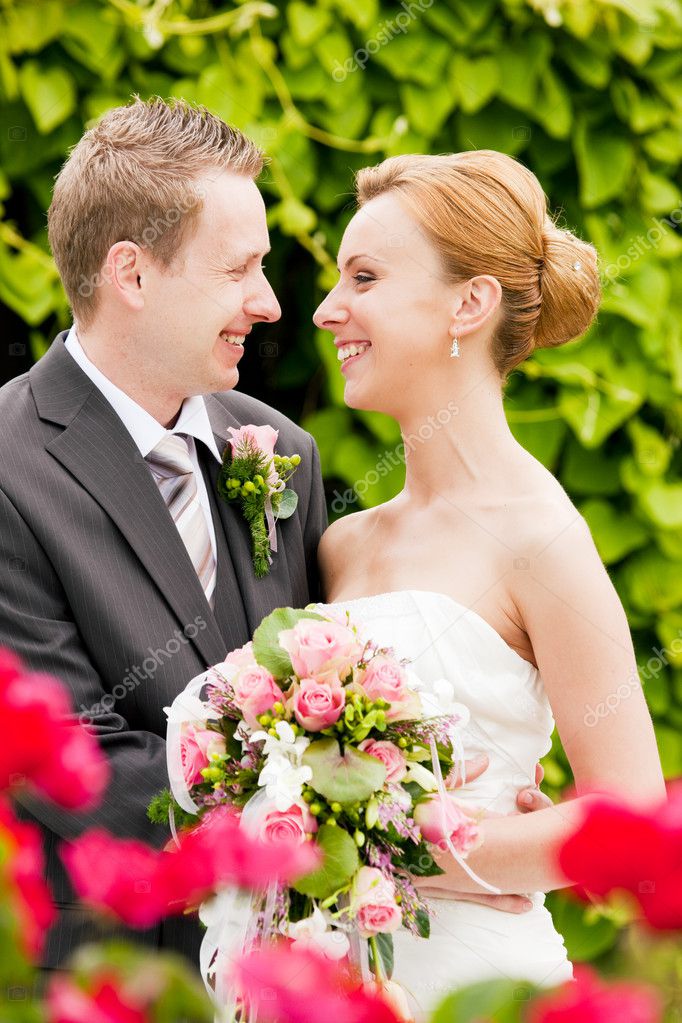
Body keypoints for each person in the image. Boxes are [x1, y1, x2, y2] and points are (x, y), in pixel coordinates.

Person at [313, 150, 665, 1016]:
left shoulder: (541, 538)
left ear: (468, 304)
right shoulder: (340, 543)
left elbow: (631, 818)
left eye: (365, 277)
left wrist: (427, 851)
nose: (327, 309)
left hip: (474, 984)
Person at [0, 97, 330, 970]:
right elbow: (69, 756)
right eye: (238, 269)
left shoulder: (281, 451)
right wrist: (317, 811)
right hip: (102, 975)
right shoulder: (8, 466)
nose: (269, 303)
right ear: (133, 275)